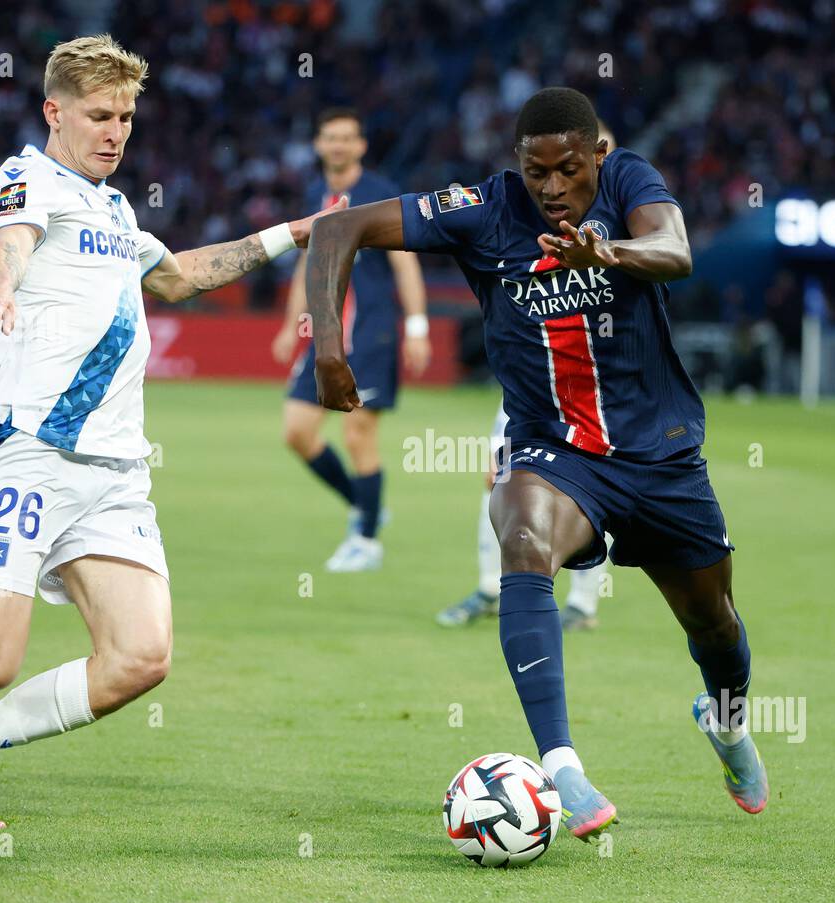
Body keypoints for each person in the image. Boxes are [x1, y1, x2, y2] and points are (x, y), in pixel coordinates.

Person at [0, 34, 341, 828]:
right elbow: (10, 244)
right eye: (99, 115)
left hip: (114, 474)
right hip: (32, 456)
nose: (115, 132)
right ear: (54, 111)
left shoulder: (116, 209)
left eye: (125, 119)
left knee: (141, 658)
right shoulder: (28, 178)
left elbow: (180, 276)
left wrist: (297, 232)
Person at [304, 87, 767, 842]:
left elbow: (677, 252)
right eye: (536, 171)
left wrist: (607, 250)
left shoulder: (628, 183)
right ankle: (562, 767)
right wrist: (329, 344)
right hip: (555, 451)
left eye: (568, 169)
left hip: (660, 452)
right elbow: (338, 228)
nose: (552, 188)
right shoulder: (484, 210)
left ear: (597, 158)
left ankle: (726, 724)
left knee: (713, 623)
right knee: (521, 537)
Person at [272, 108, 431, 572]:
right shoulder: (314, 194)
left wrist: (417, 326)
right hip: (326, 335)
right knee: (297, 432)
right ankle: (367, 506)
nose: (338, 146)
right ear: (319, 145)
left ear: (361, 145)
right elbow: (307, 262)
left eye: (347, 138)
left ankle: (365, 540)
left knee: (358, 434)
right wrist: (290, 324)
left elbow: (405, 262)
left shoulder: (380, 195)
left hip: (373, 331)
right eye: (330, 138)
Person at [436, 399, 607, 631]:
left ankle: (582, 605)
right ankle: (491, 590)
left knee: (593, 500)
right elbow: (512, 388)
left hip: (594, 425)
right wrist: (498, 445)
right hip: (534, 425)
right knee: (500, 484)